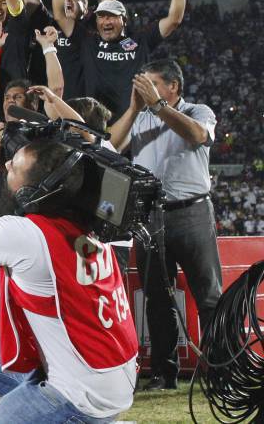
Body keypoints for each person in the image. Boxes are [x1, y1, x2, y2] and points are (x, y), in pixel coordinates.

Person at [0, 125, 138, 423]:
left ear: (36, 189)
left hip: (82, 396)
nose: (4, 167)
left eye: (13, 166)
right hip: (111, 373)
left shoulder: (25, 234)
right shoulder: (89, 220)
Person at [108, 59, 220, 390]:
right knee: (156, 298)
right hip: (149, 216)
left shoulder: (199, 111)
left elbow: (198, 135)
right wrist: (133, 108)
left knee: (208, 295)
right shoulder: (139, 118)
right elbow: (112, 145)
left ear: (173, 87)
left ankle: (219, 367)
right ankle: (163, 372)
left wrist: (158, 107)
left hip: (192, 213)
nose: (145, 90)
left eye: (153, 84)